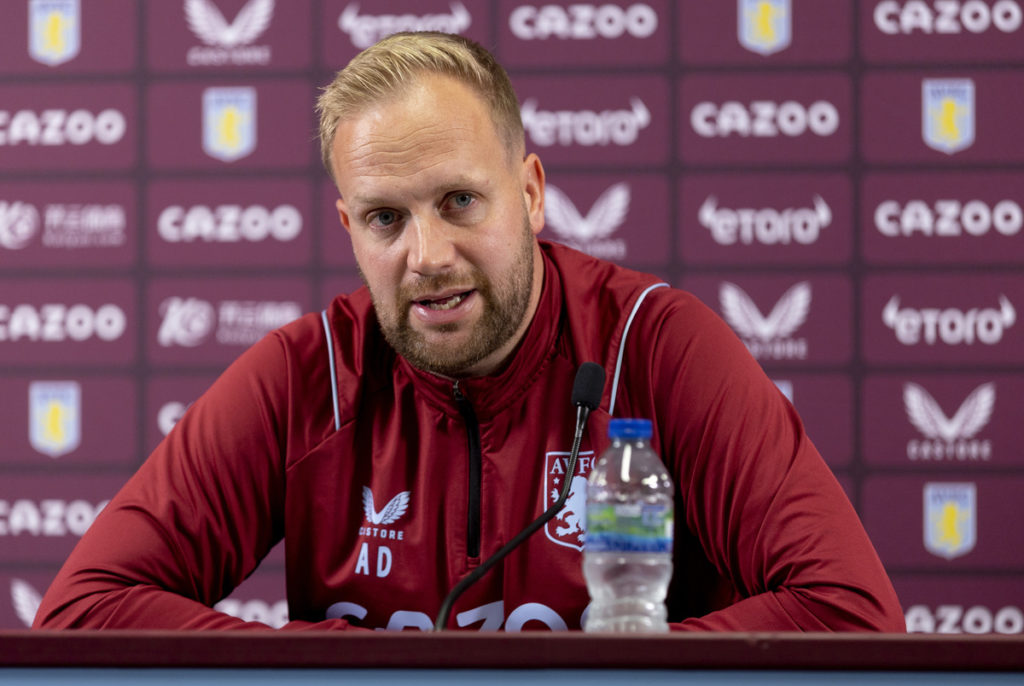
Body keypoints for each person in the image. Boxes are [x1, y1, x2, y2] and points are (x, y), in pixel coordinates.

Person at [34, 32, 904, 632]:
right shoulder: (311, 375)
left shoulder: (655, 343)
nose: (428, 256)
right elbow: (83, 607)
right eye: (385, 218)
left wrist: (596, 682)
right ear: (349, 228)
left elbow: (852, 608)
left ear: (529, 192)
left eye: (459, 201)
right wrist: (366, 670)